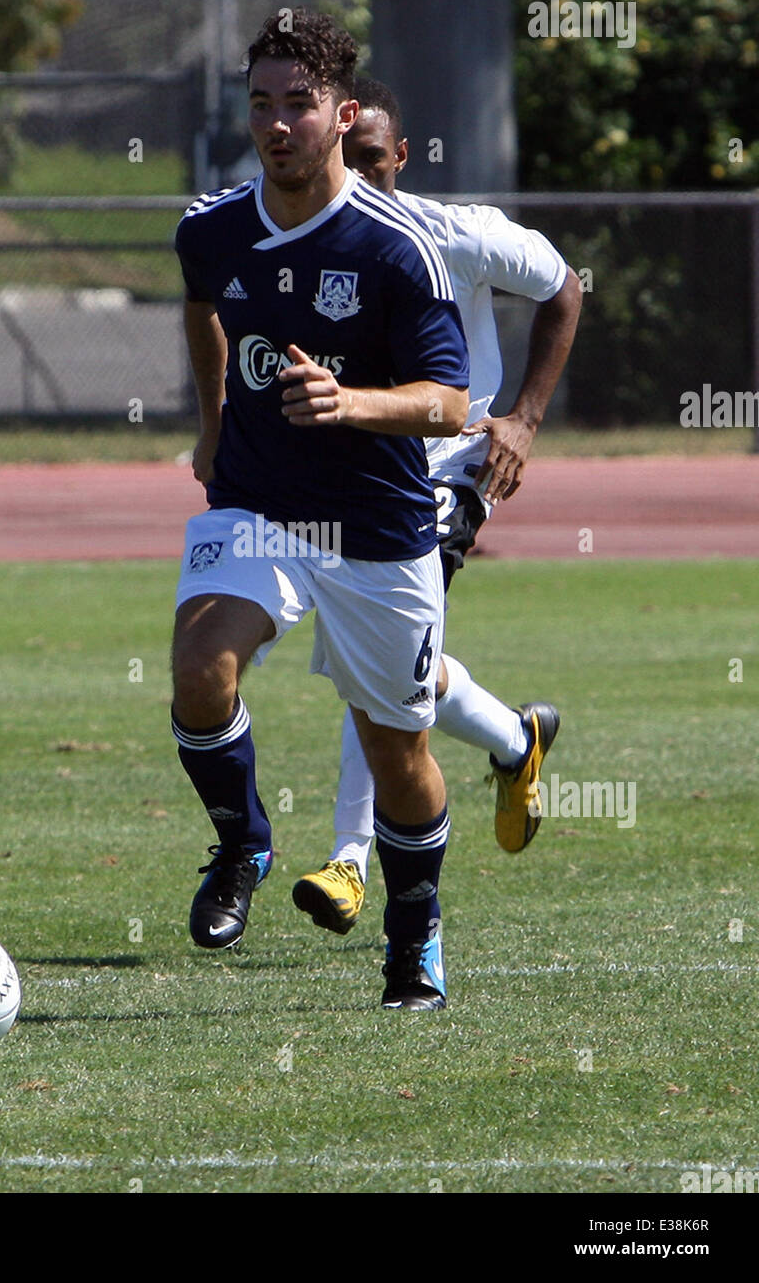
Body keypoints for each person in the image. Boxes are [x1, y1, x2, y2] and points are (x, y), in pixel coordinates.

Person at [171, 11, 470, 1009]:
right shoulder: (210, 228)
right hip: (257, 503)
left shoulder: (397, 251)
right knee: (199, 666)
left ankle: (413, 936)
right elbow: (200, 302)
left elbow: (448, 403)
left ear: (343, 114)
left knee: (397, 748)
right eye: (260, 103)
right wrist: (214, 425)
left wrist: (353, 405)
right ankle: (242, 843)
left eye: (296, 102)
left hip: (379, 527)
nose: (276, 123)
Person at [292, 76, 583, 937]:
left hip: (452, 469)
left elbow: (565, 287)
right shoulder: (309, 244)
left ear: (402, 157)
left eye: (379, 162)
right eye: (353, 163)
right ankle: (514, 737)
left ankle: (349, 859)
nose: (366, 179)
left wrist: (524, 419)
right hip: (349, 473)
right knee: (392, 666)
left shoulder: (458, 233)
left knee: (374, 663)